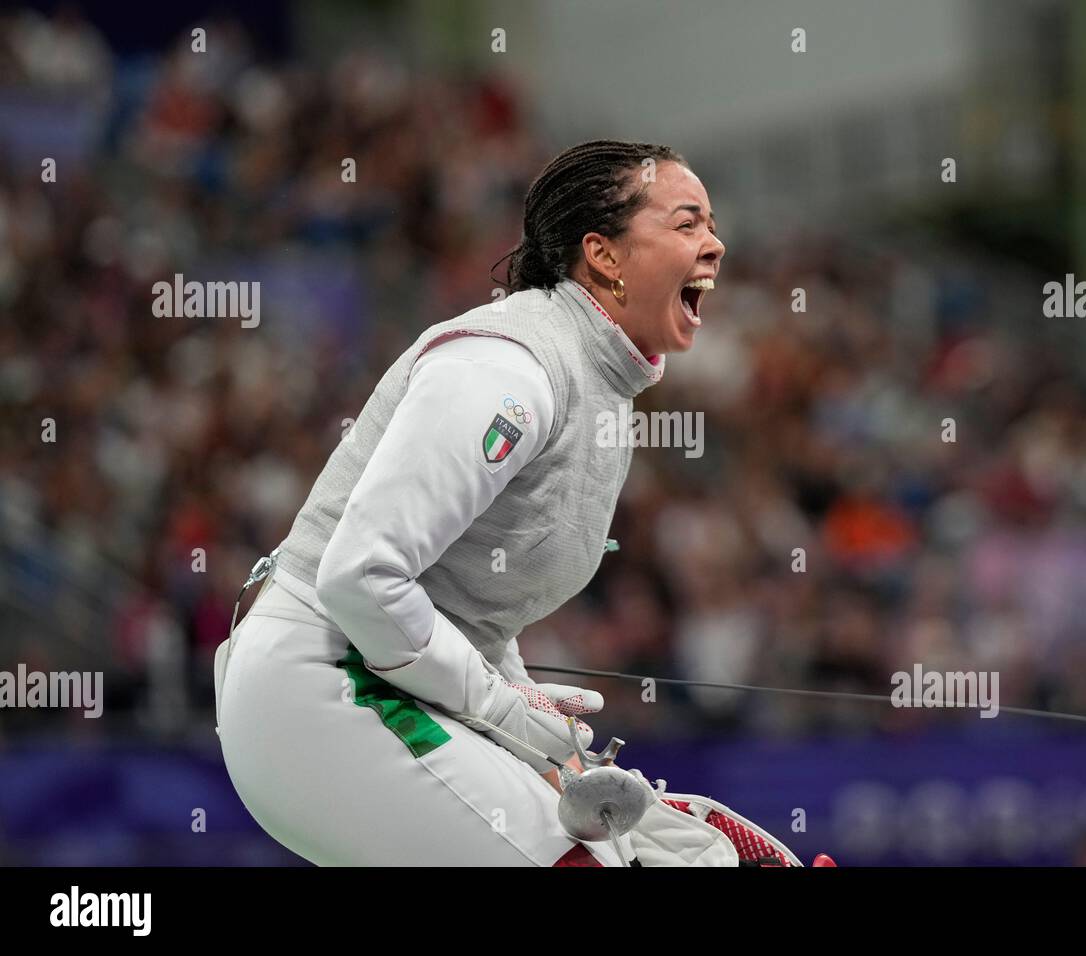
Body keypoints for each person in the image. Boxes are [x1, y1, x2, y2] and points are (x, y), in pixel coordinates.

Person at [214, 139, 735, 865]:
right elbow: (361, 577)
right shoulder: (507, 369)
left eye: (710, 224)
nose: (714, 244)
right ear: (604, 256)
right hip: (322, 681)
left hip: (385, 682)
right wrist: (507, 714)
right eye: (687, 224)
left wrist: (536, 724)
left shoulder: (599, 386)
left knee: (624, 854)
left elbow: (469, 604)